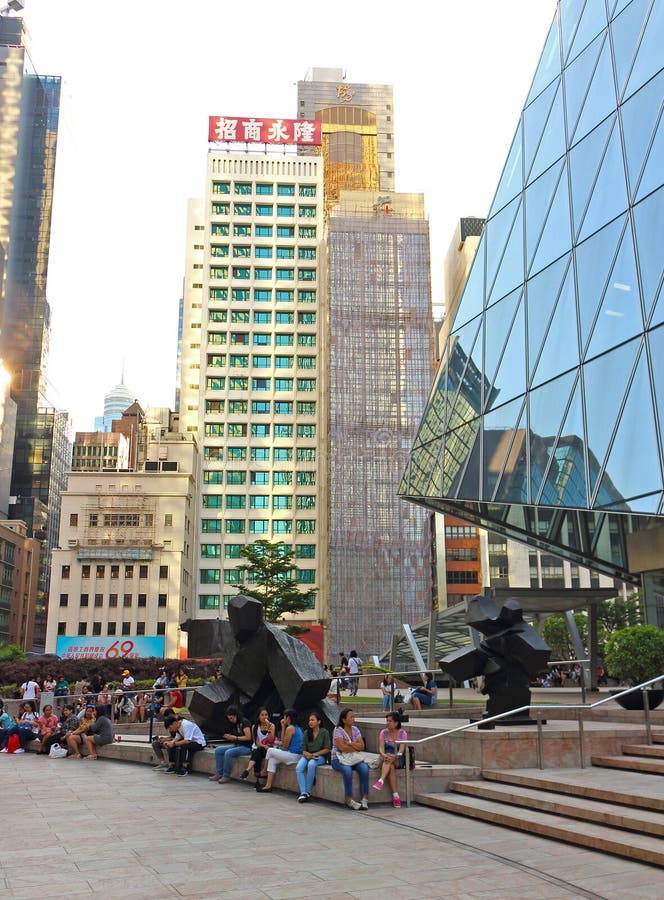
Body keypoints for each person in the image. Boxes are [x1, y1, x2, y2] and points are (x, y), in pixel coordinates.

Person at [256, 708, 303, 793]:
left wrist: (279, 747)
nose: (283, 719)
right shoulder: (294, 727)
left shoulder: (291, 728)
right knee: (272, 760)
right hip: (294, 755)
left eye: (284, 717)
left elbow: (284, 747)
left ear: (288, 718)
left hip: (294, 755)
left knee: (270, 750)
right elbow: (282, 741)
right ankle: (268, 786)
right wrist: (283, 727)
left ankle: (264, 771)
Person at [331, 708, 369, 810]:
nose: (353, 719)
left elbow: (362, 746)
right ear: (344, 720)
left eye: (353, 716)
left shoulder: (355, 729)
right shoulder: (338, 730)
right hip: (338, 759)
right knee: (347, 771)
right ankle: (349, 799)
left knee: (364, 769)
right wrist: (355, 746)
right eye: (351, 717)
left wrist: (351, 744)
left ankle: (364, 799)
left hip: (354, 759)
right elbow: (342, 748)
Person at [372, 711, 407, 808]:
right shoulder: (383, 732)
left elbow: (401, 750)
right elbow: (381, 748)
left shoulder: (402, 733)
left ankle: (381, 780)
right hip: (386, 758)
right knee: (390, 766)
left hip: (398, 758)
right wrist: (383, 755)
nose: (387, 723)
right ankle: (396, 796)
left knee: (390, 760)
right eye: (387, 720)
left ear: (396, 723)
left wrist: (395, 756)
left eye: (390, 721)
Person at [210, 705, 252, 783]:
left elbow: (248, 737)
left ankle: (226, 776)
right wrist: (229, 737)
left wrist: (235, 738)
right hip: (237, 745)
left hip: (246, 747)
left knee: (228, 753)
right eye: (229, 718)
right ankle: (219, 773)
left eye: (231, 718)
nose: (230, 720)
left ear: (236, 715)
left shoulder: (244, 722)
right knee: (218, 750)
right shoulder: (234, 724)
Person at [295, 711, 330, 802]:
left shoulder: (324, 732)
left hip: (319, 756)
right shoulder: (307, 732)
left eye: (313, 720)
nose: (310, 722)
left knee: (311, 764)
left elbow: (327, 748)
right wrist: (306, 754)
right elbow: (303, 748)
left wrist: (315, 754)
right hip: (308, 755)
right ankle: (303, 793)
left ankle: (308, 791)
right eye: (309, 720)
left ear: (319, 722)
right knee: (299, 767)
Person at [240, 707, 276, 782]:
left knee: (257, 752)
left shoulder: (272, 726)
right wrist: (264, 746)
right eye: (262, 715)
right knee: (257, 753)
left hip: (269, 749)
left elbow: (271, 740)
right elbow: (257, 742)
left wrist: (269, 730)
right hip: (259, 747)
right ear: (258, 717)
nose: (264, 717)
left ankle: (247, 770)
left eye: (266, 715)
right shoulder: (254, 727)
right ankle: (256, 780)